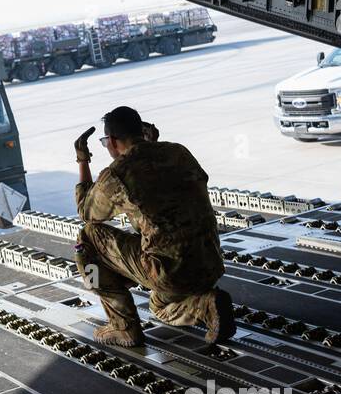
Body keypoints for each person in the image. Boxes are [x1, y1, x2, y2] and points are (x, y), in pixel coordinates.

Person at [72, 106, 234, 347]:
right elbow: (166, 184)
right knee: (160, 306)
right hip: (209, 262)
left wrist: (82, 159)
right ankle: (206, 305)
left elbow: (87, 212)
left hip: (169, 272)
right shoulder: (179, 153)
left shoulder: (117, 174)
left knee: (86, 240)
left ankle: (123, 327)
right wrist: (151, 146)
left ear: (113, 141)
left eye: (106, 141)